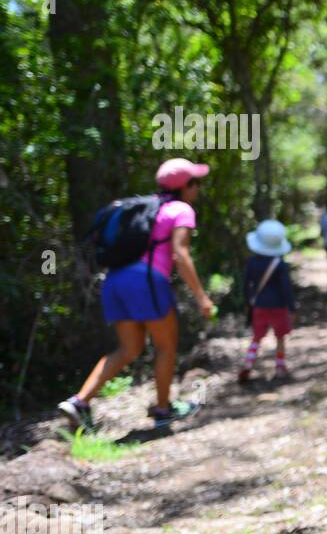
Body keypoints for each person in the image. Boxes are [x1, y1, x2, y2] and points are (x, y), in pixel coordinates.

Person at [59, 158, 216, 430]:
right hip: (146, 281)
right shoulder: (180, 209)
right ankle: (163, 410)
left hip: (115, 280)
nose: (198, 189)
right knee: (166, 347)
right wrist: (202, 297)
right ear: (186, 186)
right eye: (196, 183)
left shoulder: (144, 207)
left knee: (128, 349)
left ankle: (79, 401)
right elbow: (180, 254)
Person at [239, 219, 296, 382]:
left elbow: (246, 285)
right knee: (280, 337)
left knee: (257, 336)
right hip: (279, 306)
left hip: (259, 305)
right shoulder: (281, 265)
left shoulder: (252, 262)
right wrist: (292, 308)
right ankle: (279, 366)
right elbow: (286, 288)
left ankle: (248, 363)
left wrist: (249, 301)